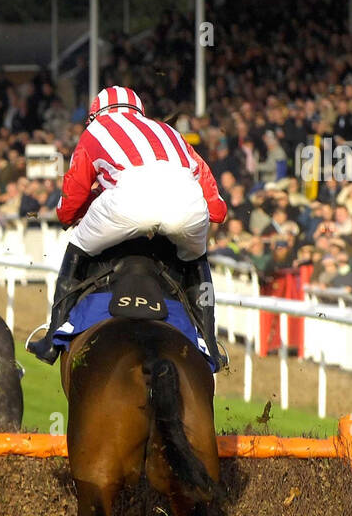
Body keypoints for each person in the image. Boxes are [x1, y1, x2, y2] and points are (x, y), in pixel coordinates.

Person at [26, 85, 228, 366]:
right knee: (196, 256)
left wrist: (68, 215)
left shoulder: (95, 130)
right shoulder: (170, 133)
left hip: (130, 203)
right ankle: (210, 344)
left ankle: (52, 337)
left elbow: (73, 197)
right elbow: (217, 208)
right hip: (188, 204)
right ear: (139, 112)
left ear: (97, 114)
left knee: (78, 245)